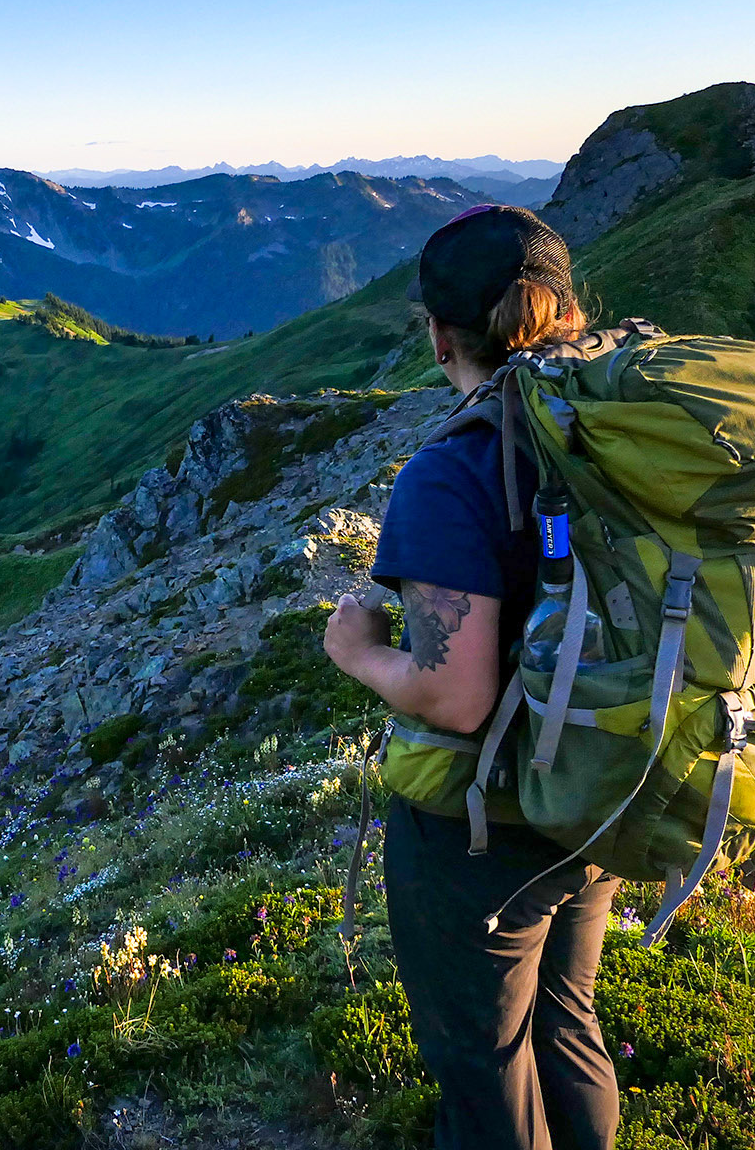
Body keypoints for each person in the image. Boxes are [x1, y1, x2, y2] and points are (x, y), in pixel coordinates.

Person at [322, 205, 621, 1150]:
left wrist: (359, 652)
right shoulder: (618, 425)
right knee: (566, 1018)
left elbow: (456, 697)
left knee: (485, 1059)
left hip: (490, 823)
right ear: (567, 311)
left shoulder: (453, 470)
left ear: (440, 336)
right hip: (608, 775)